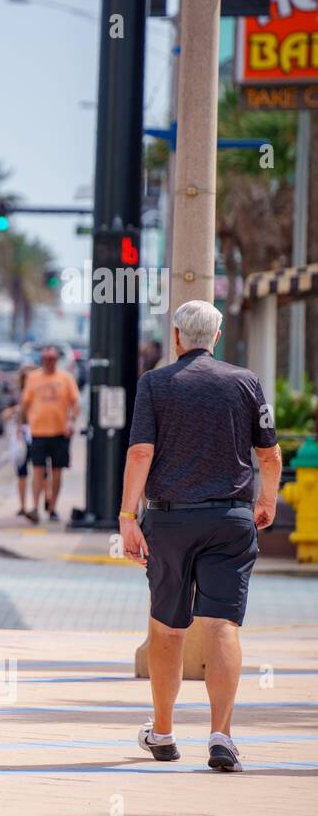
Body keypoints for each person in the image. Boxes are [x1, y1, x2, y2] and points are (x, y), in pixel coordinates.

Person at [120, 301, 282, 773]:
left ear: (176, 337)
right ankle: (221, 736)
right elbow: (269, 456)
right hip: (231, 519)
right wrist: (266, 502)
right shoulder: (244, 382)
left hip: (170, 521)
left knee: (167, 626)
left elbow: (140, 453)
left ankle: (165, 734)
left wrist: (128, 515)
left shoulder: (155, 384)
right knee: (221, 625)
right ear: (217, 335)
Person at [21, 344, 79, 522]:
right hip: (38, 432)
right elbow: (25, 404)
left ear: (57, 360)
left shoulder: (65, 378)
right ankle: (35, 507)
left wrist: (71, 421)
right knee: (37, 469)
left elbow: (75, 403)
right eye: (45, 359)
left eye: (52, 359)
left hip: (59, 432)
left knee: (57, 471)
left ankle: (52, 507)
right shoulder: (33, 378)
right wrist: (21, 426)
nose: (48, 362)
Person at [2, 366, 34, 518]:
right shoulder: (16, 396)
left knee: (42, 470)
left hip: (39, 432)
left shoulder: (39, 394)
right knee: (22, 471)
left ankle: (42, 501)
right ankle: (23, 506)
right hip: (21, 435)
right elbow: (5, 414)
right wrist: (17, 409)